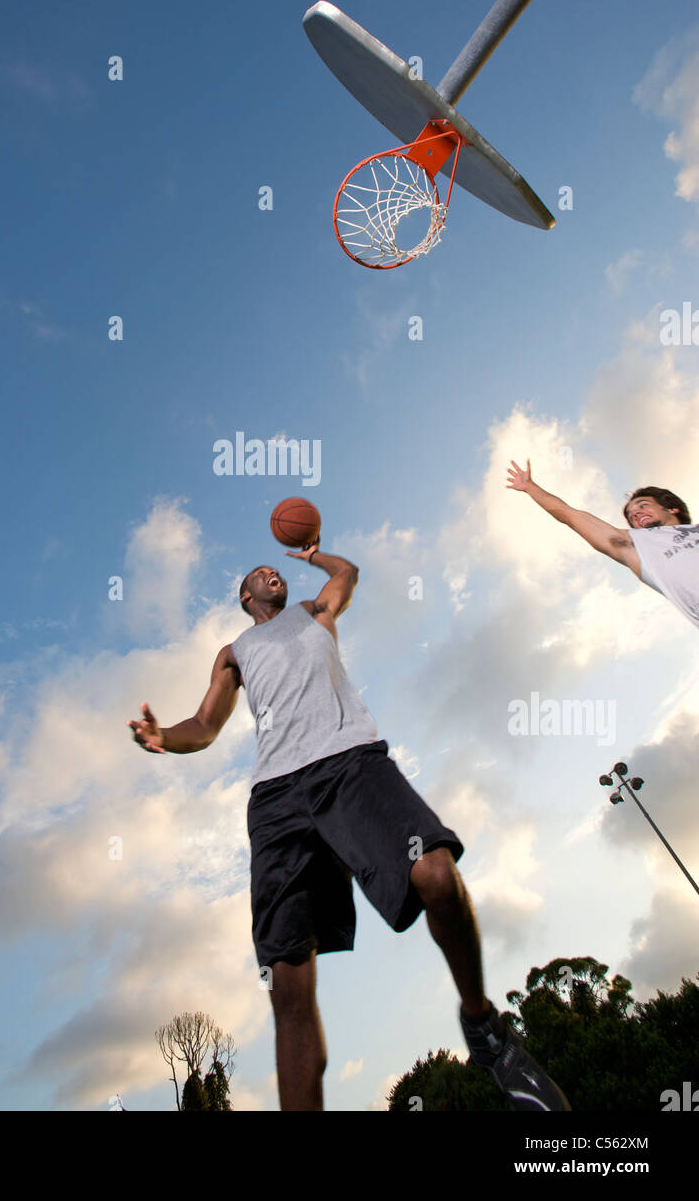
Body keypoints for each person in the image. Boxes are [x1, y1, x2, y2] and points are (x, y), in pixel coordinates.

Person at [130, 538, 570, 1112]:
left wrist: (312, 554)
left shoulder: (315, 612)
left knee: (435, 874)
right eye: (259, 573)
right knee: (287, 982)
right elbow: (206, 723)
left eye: (274, 569)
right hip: (276, 800)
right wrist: (165, 738)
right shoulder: (233, 651)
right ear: (244, 597)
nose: (270, 572)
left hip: (349, 764)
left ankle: (485, 1029)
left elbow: (350, 572)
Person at [506, 461, 698, 629]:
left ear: (672, 508)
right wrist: (530, 488)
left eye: (643, 505)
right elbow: (570, 515)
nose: (636, 514)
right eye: (631, 516)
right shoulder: (637, 546)